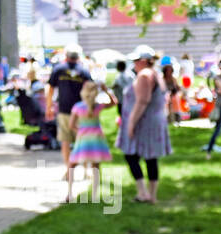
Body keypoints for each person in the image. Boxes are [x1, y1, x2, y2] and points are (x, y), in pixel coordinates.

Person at [117, 44, 173, 204]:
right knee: (150, 157)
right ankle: (151, 195)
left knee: (131, 155)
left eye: (136, 60)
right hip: (154, 121)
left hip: (145, 122)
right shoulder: (155, 74)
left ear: (144, 61)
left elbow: (142, 101)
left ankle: (143, 193)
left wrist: (131, 123)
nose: (134, 63)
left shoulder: (144, 75)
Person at [46, 45, 92, 171]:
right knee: (82, 141)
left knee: (65, 141)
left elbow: (50, 89)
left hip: (64, 110)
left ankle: (68, 169)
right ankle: (85, 170)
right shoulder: (84, 72)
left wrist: (48, 107)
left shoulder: (59, 69)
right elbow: (90, 90)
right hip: (81, 112)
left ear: (66, 56)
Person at [66, 81, 112, 203]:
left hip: (83, 139)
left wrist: (80, 130)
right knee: (96, 166)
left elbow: (71, 125)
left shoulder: (78, 107)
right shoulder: (98, 106)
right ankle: (95, 195)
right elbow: (114, 102)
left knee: (72, 165)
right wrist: (106, 90)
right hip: (97, 139)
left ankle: (69, 193)